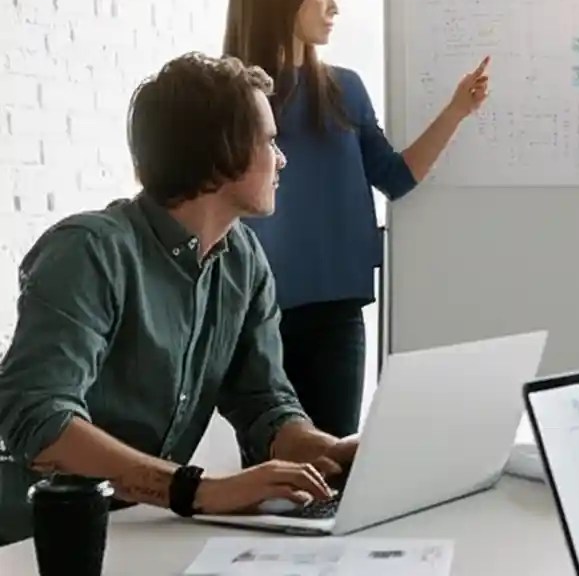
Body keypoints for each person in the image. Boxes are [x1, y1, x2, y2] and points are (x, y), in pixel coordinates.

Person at [0, 53, 360, 547]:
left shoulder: (242, 258)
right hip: (32, 539)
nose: (281, 159)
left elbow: (264, 404)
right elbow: (38, 418)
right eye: (269, 141)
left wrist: (333, 453)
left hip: (143, 529)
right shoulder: (89, 251)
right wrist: (197, 491)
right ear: (220, 153)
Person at [222, 0, 490, 438]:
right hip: (253, 313)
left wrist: (457, 110)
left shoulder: (345, 88)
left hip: (336, 312)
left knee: (336, 456)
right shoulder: (231, 96)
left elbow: (395, 177)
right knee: (271, 463)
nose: (335, 7)